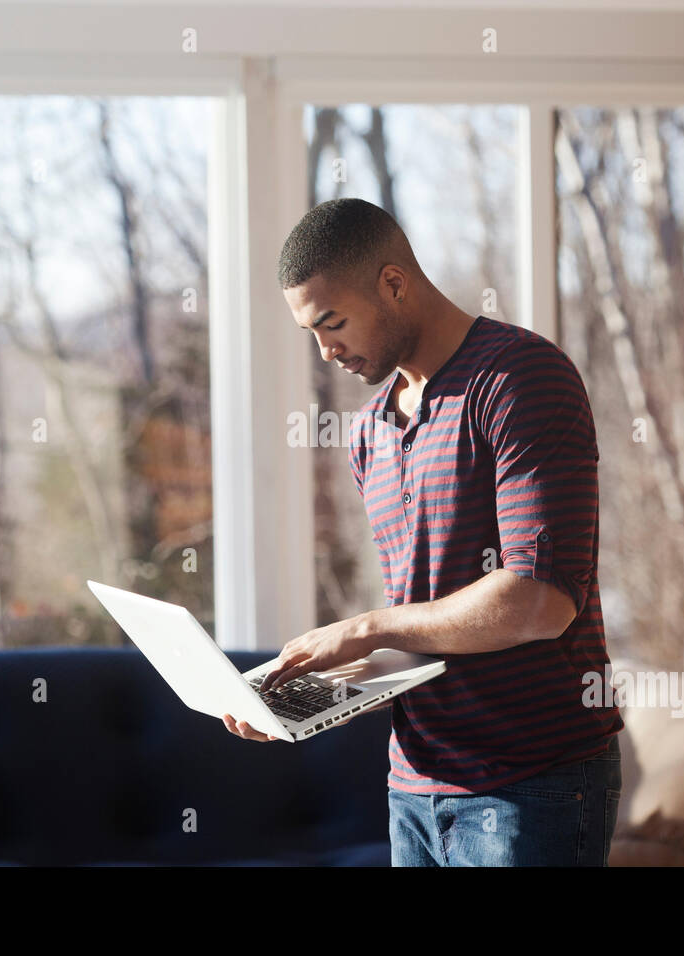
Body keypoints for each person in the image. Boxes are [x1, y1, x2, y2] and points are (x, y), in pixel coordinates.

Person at [222, 197, 623, 866]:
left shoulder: (519, 379)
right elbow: (427, 628)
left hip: (532, 786)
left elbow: (541, 601)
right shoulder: (371, 431)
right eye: (312, 333)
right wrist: (315, 697)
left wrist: (366, 627)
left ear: (394, 284)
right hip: (413, 787)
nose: (327, 351)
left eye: (334, 322)